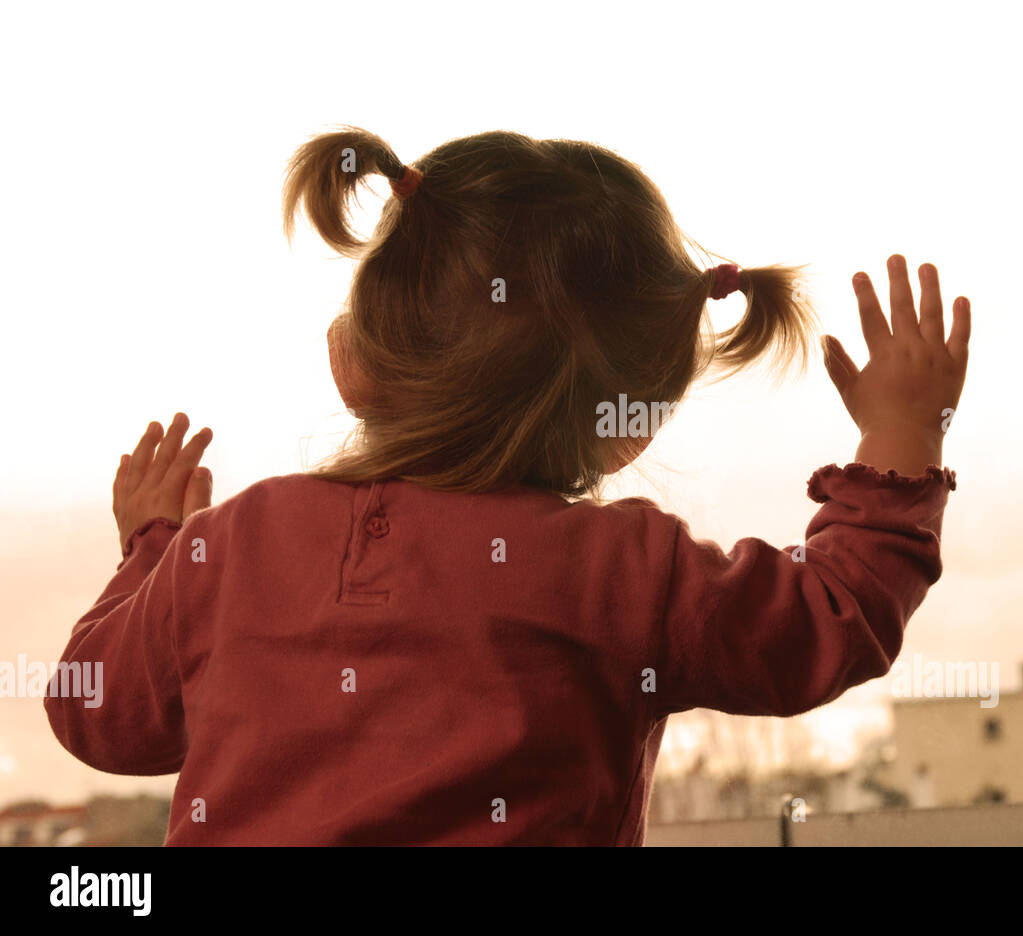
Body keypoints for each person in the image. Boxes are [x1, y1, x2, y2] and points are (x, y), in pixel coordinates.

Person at [46, 127, 970, 845]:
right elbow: (830, 617)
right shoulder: (624, 571)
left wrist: (154, 548)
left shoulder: (233, 546)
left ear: (350, 363)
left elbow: (97, 716)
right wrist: (902, 438)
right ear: (631, 426)